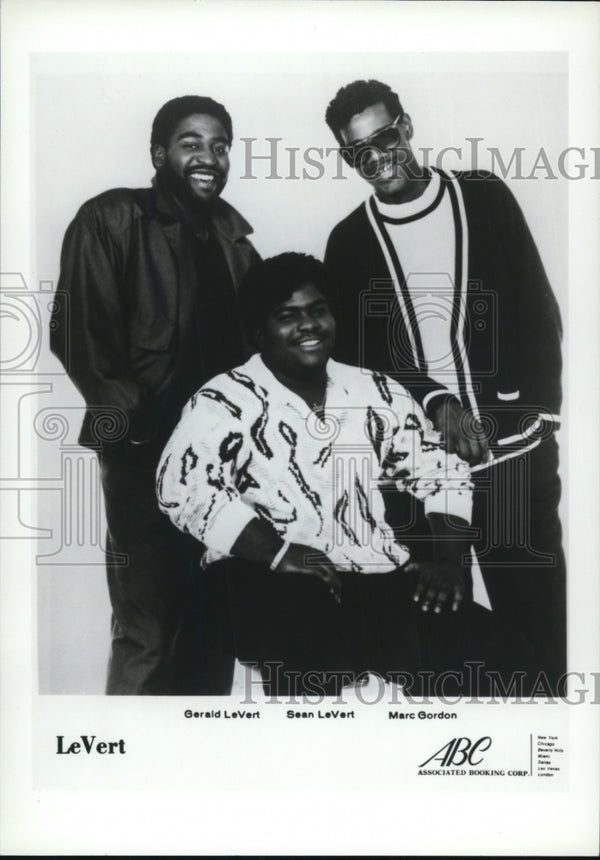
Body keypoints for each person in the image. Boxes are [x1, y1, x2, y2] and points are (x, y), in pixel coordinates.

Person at [156, 253, 532, 697]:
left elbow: (441, 469)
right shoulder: (224, 399)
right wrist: (281, 553)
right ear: (259, 332)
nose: (309, 325)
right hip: (259, 580)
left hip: (369, 575)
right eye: (288, 316)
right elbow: (181, 488)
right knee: (319, 658)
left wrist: (448, 564)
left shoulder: (373, 389)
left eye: (318, 311)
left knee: (508, 656)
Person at [323, 79, 565, 693]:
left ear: (405, 126)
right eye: (359, 153)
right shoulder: (348, 243)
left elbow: (538, 312)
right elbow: (360, 365)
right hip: (418, 474)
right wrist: (435, 401)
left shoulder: (482, 196)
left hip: (511, 455)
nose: (378, 159)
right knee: (439, 643)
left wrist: (534, 419)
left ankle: (549, 762)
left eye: (383, 138)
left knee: (538, 630)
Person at [50, 95, 260, 695]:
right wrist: (136, 428)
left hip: (223, 468)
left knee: (215, 625)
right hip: (144, 461)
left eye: (220, 146)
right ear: (159, 153)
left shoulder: (234, 237)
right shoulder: (112, 218)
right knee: (148, 628)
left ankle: (196, 772)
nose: (209, 157)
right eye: (191, 143)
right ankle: (127, 775)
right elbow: (76, 331)